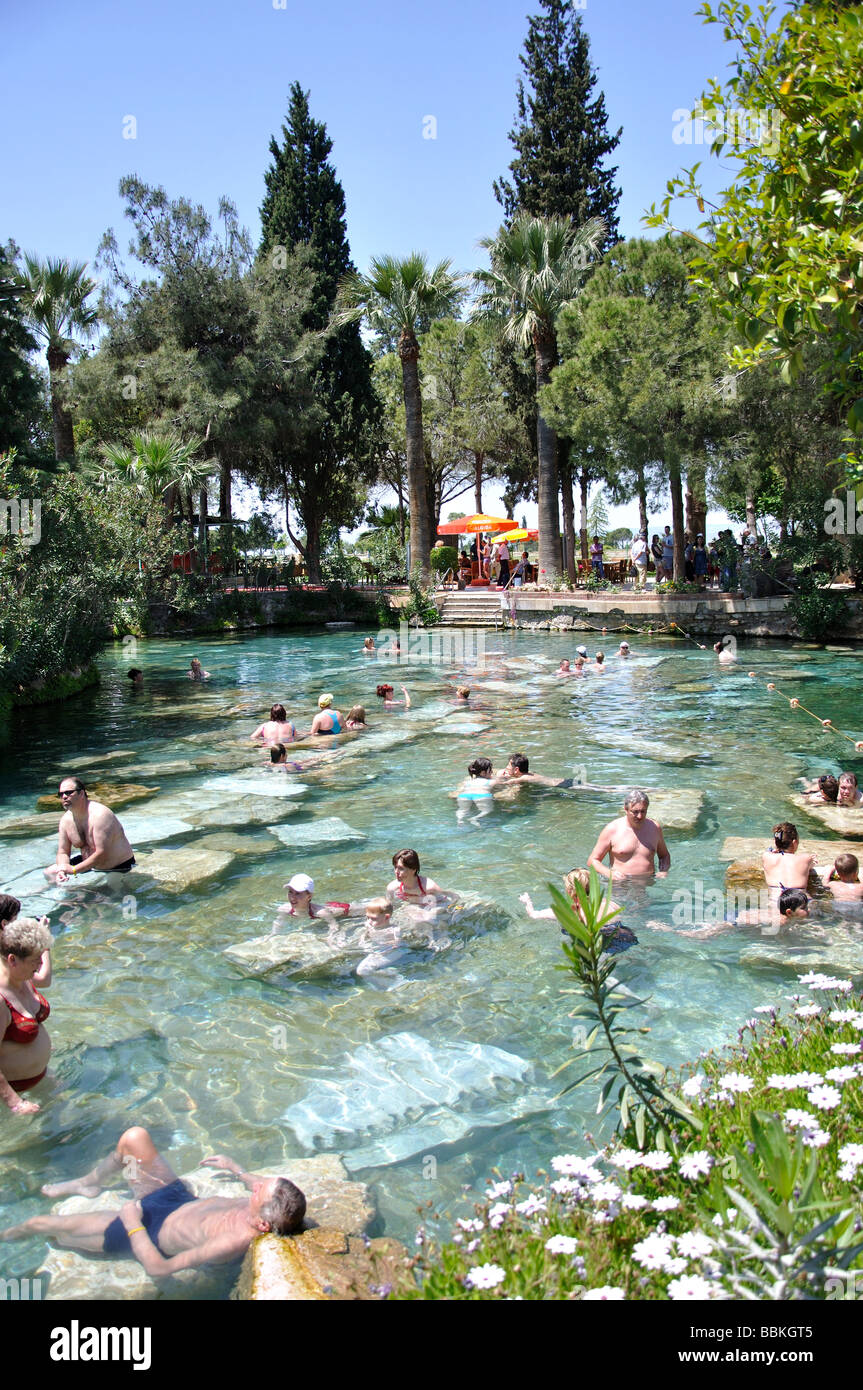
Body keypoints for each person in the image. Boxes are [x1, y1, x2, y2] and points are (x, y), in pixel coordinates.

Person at [0, 1127, 306, 1277]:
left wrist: (133, 1226)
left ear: (263, 1224)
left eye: (259, 1190)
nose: (256, 1186)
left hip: (149, 1230)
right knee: (133, 1138)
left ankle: (5, 1237)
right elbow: (257, 1184)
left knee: (43, 1225)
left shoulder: (231, 1240)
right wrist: (235, 1168)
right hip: (174, 1198)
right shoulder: (266, 1205)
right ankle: (89, 1183)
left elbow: (160, 1268)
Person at [1, 916, 54, 1115]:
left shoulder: (22, 976)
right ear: (12, 960)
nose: (39, 965)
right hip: (15, 1095)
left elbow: (45, 978)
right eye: (35, 960)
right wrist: (16, 1104)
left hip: (42, 1078)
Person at [519, 869, 637, 955]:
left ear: (569, 890)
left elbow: (534, 915)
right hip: (626, 936)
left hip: (601, 941)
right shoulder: (610, 903)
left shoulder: (569, 910)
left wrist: (527, 902)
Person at [44, 778, 136, 882]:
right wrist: (62, 869)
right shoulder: (66, 820)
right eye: (61, 794)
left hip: (118, 867)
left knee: (108, 896)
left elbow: (101, 853)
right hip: (90, 865)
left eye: (69, 793)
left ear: (81, 793)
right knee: (50, 873)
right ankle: (60, 894)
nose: (64, 796)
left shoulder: (100, 815)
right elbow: (63, 852)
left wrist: (74, 869)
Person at [587, 789, 671, 880]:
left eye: (643, 811)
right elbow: (592, 861)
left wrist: (663, 871)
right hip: (620, 884)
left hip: (648, 883)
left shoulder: (654, 828)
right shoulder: (612, 829)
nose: (639, 816)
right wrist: (609, 873)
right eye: (635, 812)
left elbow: (664, 856)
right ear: (626, 809)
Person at [355, 899, 406, 977]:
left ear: (386, 917)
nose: (369, 921)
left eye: (373, 918)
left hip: (391, 952)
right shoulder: (370, 926)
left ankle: (393, 976)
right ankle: (387, 972)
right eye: (367, 918)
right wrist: (362, 940)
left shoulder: (394, 929)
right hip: (377, 951)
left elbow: (398, 943)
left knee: (362, 971)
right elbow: (365, 935)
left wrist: (389, 944)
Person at [387, 849, 453, 905]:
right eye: (395, 867)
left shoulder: (429, 887)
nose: (396, 871)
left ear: (413, 869)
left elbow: (449, 900)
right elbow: (390, 908)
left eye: (401, 868)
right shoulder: (392, 888)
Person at [763, 822, 814, 894]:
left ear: (776, 842)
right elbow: (811, 866)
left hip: (775, 900)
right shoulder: (806, 858)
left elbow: (768, 851)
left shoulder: (767, 856)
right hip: (798, 899)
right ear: (794, 842)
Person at [276, 873, 350, 921]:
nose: (292, 897)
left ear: (309, 896)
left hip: (344, 910)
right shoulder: (284, 909)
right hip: (326, 906)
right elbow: (278, 923)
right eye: (290, 892)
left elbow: (334, 927)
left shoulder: (321, 913)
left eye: (298, 893)